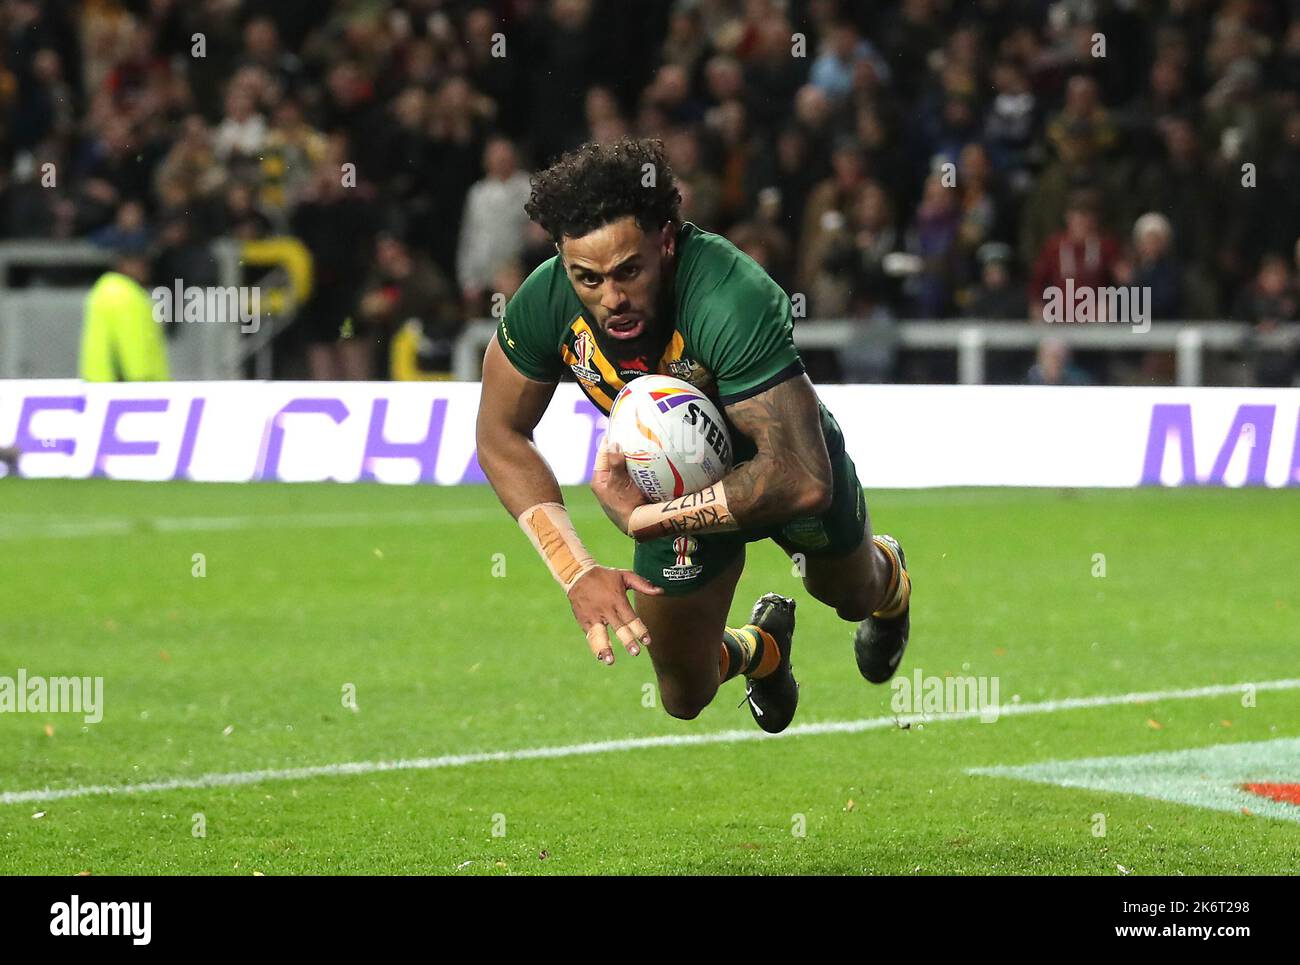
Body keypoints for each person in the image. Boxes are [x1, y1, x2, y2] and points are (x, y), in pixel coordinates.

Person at [475, 138, 913, 734]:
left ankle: (892, 580)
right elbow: (500, 434)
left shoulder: (730, 296)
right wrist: (576, 569)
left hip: (781, 459)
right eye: (588, 278)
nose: (613, 298)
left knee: (852, 596)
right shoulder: (546, 300)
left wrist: (649, 521)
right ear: (560, 257)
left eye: (629, 270)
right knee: (685, 693)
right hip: (676, 485)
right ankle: (763, 650)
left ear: (667, 239)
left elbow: (801, 479)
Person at [79, 246, 169, 382]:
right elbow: (133, 345)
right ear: (123, 264)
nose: (146, 269)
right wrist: (143, 382)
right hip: (128, 390)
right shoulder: (127, 295)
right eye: (141, 264)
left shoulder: (103, 290)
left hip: (99, 382)